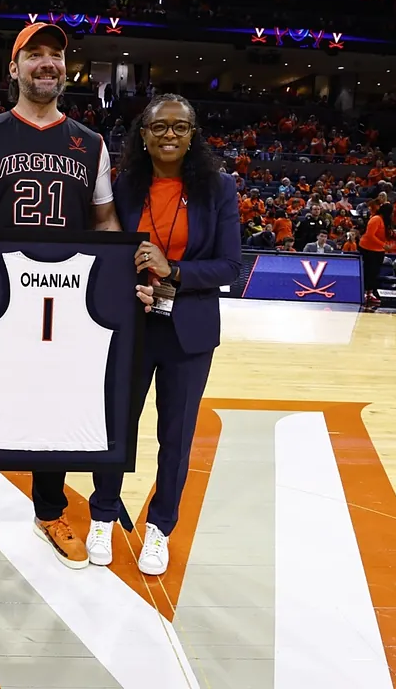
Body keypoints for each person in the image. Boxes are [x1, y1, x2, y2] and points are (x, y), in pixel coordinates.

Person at [0, 22, 129, 576]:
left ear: (66, 70)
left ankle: (50, 510)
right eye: (34, 55)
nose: (47, 64)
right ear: (14, 69)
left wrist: (114, 275)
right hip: (1, 291)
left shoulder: (90, 144)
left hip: (67, 296)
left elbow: (105, 218)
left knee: (56, 398)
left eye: (55, 57)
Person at [85, 94, 242, 576]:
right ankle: (103, 515)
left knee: (176, 437)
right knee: (115, 427)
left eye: (180, 126)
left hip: (187, 331)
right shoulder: (123, 186)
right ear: (143, 135)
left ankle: (160, 527)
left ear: (193, 133)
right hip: (129, 324)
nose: (169, 134)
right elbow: (103, 251)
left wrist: (172, 269)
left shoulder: (219, 189)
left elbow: (231, 267)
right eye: (159, 127)